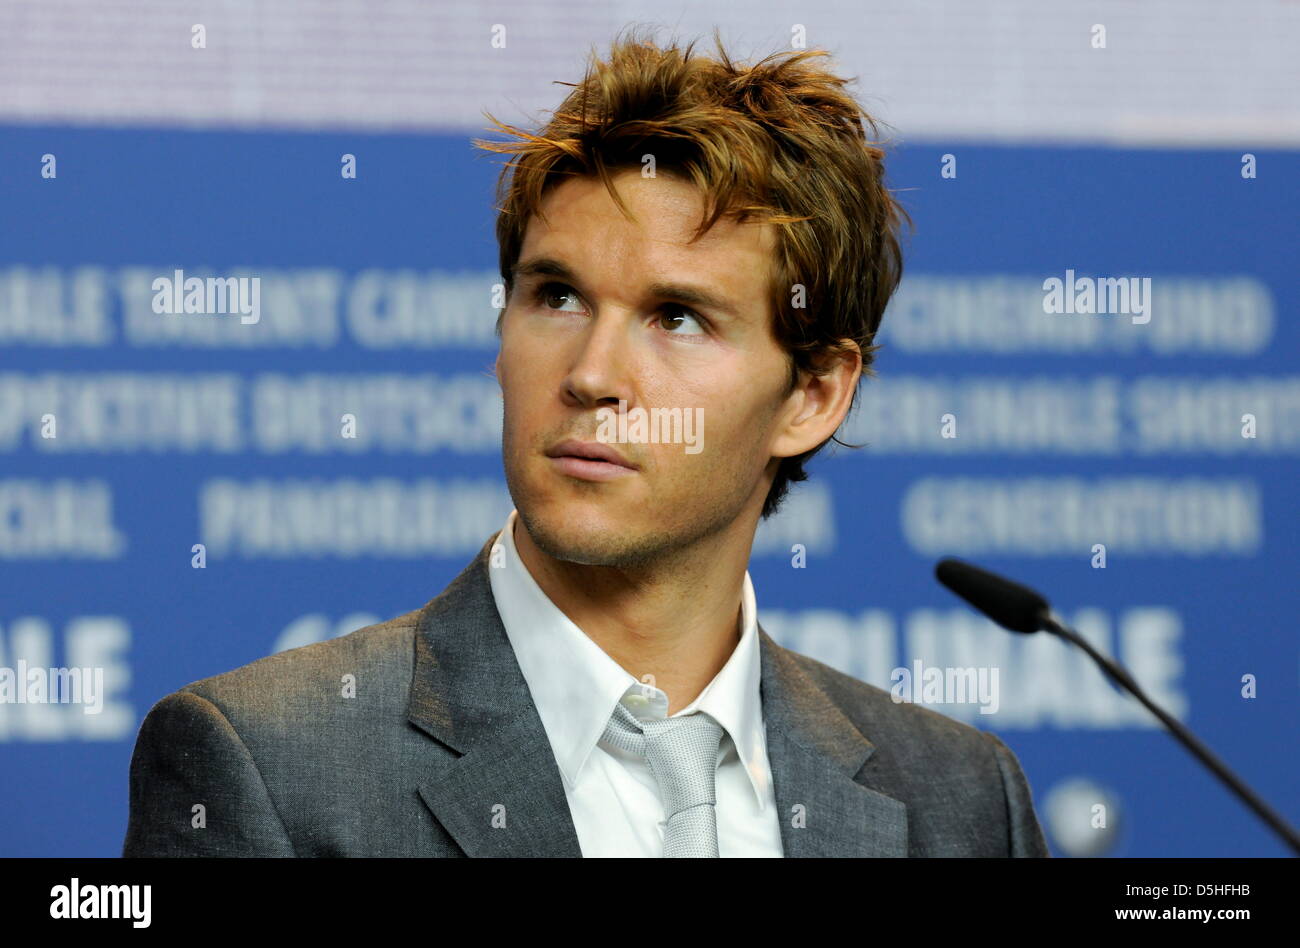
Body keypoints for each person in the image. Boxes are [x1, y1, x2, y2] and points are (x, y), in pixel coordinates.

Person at [123, 28, 1049, 858]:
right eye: (555, 297)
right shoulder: (268, 766)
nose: (592, 373)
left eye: (677, 317)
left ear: (811, 395)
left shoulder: (960, 798)